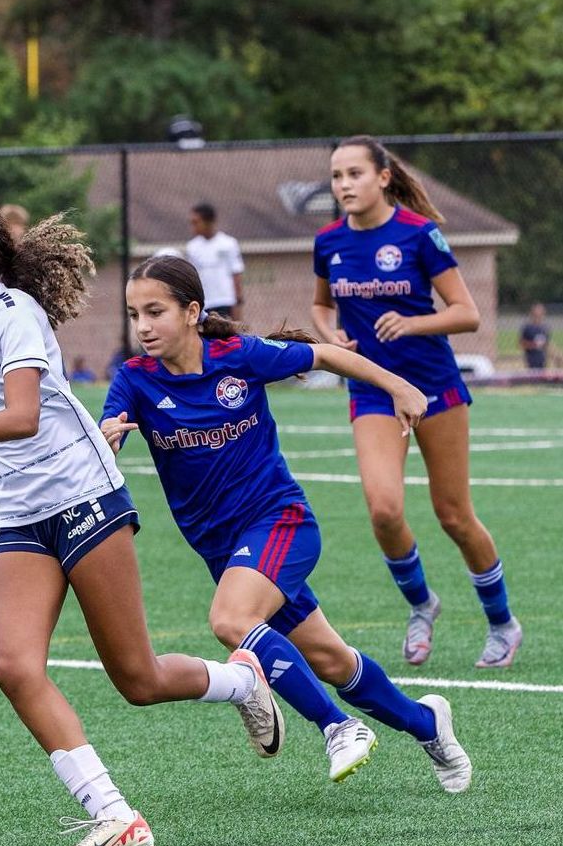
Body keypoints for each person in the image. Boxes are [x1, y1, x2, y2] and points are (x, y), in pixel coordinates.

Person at [0, 197, 285, 846]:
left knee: (138, 678)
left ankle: (241, 681)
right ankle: (113, 815)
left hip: (83, 498)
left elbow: (22, 416)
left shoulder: (17, 315)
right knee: (12, 667)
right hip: (15, 513)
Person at [101, 255, 472, 792]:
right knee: (331, 660)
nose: (143, 327)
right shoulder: (135, 380)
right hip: (225, 552)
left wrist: (397, 385)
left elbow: (325, 354)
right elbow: (108, 429)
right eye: (135, 314)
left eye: (155, 311)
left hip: (280, 521)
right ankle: (427, 723)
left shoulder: (239, 357)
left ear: (192, 311)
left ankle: (337, 728)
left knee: (230, 620)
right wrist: (107, 439)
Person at [312, 136, 521, 670]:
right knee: (383, 510)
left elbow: (467, 313)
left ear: (383, 177)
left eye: (354, 174)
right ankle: (422, 606)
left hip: (435, 389)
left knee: (453, 515)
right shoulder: (329, 241)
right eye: (337, 177)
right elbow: (320, 306)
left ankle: (502, 622)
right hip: (372, 390)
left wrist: (414, 322)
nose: (344, 186)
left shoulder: (418, 235)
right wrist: (330, 335)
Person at [186, 202, 244, 320]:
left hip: (225, 301)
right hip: (204, 303)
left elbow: (236, 274)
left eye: (196, 222)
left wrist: (237, 302)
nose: (193, 226)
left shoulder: (228, 243)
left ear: (208, 221)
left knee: (228, 337)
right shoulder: (192, 247)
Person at [519, 302, 552, 370]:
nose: (538, 316)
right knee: (533, 377)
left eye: (541, 314)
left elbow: (546, 344)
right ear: (532, 314)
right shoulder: (527, 328)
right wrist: (534, 345)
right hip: (531, 359)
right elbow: (521, 344)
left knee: (542, 375)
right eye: (536, 314)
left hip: (542, 359)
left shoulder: (545, 328)